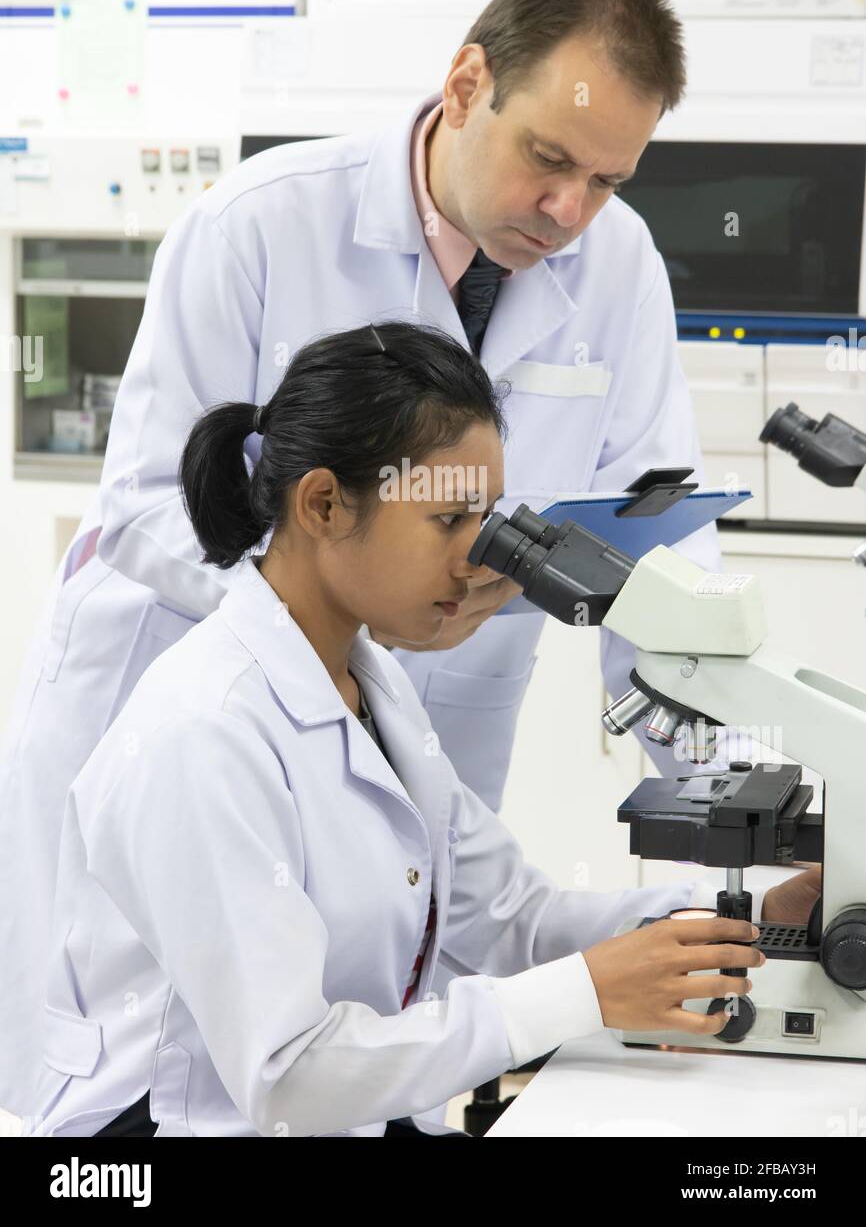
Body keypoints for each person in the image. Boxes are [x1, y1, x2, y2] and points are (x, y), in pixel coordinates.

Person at [2, 0, 732, 1117]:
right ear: (464, 84)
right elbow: (152, 508)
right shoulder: (258, 224)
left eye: (605, 180)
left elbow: (654, 554)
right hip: (206, 713)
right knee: (171, 1062)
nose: (569, 213)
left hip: (384, 703)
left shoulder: (616, 262)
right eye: (547, 159)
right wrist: (320, 637)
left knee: (392, 1007)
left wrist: (726, 792)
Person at [29, 322, 805, 1139]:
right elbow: (285, 1076)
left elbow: (511, 916)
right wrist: (582, 992)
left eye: (486, 518)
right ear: (324, 504)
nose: (479, 558)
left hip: (351, 1113)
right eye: (448, 520)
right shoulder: (206, 734)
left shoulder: (371, 683)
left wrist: (752, 921)